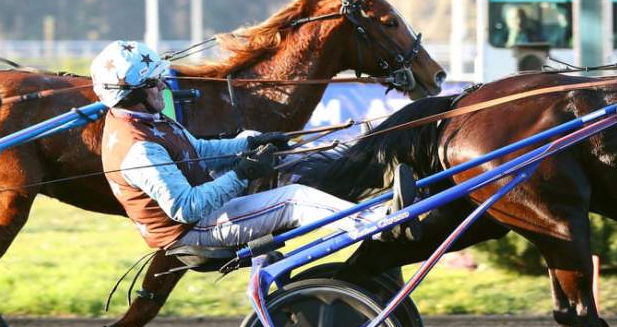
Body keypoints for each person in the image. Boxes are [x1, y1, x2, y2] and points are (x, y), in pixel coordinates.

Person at [89, 40, 415, 258]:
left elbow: (197, 149)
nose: (162, 85)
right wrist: (242, 173)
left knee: (260, 142)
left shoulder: (148, 117)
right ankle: (382, 225)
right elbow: (187, 208)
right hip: (192, 230)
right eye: (153, 82)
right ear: (129, 93)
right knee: (293, 199)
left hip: (201, 204)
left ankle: (368, 176)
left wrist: (252, 143)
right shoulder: (139, 148)